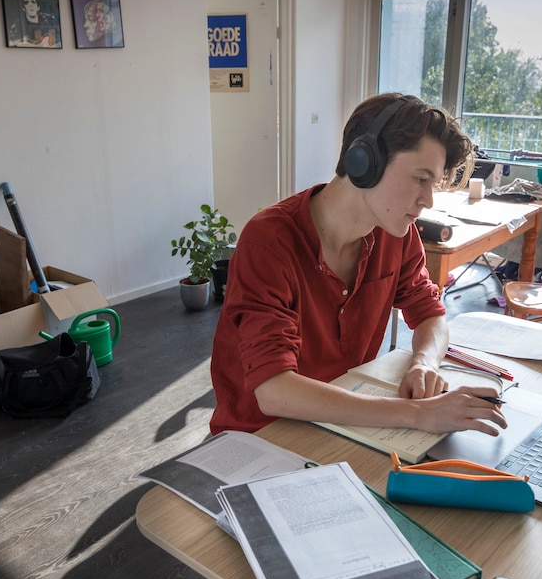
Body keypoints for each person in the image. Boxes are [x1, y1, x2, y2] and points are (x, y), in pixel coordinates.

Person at [209, 93, 508, 439]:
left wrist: (424, 363)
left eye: (433, 184)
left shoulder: (397, 232)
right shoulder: (268, 242)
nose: (427, 201)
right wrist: (417, 412)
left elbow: (430, 313)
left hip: (345, 421)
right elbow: (274, 390)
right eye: (421, 179)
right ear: (364, 162)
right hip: (261, 435)